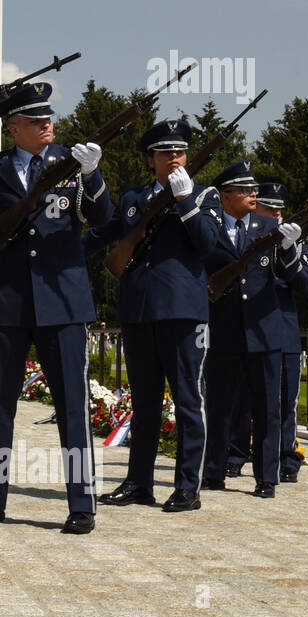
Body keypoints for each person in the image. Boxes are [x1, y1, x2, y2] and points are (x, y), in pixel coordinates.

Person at [0, 81, 112, 534]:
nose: (46, 124)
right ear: (13, 128)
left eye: (48, 117)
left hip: (63, 303)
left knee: (72, 406)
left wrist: (92, 177)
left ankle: (81, 502)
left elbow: (105, 219)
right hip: (8, 303)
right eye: (35, 120)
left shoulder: (72, 163)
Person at [84, 119, 225, 512]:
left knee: (187, 400)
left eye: (180, 151)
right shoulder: (134, 198)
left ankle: (186, 487)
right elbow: (103, 234)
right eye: (166, 152)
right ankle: (138, 483)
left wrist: (185, 202)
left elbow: (208, 245)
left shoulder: (205, 197)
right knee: (144, 403)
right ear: (151, 160)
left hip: (183, 313)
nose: (175, 157)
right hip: (139, 310)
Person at [201, 161, 304, 497]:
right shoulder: (209, 227)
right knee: (220, 406)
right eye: (244, 190)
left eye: (253, 190)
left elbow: (296, 280)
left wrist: (289, 249)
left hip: (263, 332)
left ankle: (267, 477)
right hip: (224, 330)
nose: (252, 195)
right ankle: (214, 471)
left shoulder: (268, 227)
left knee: (267, 410)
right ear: (225, 195)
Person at [255, 182, 308, 483]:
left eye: (279, 208)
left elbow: (303, 285)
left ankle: (288, 458)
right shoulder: (249, 238)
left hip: (285, 329)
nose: (276, 213)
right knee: (247, 397)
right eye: (269, 207)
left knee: (286, 399)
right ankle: (239, 454)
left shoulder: (296, 241)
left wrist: (289, 250)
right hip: (253, 326)